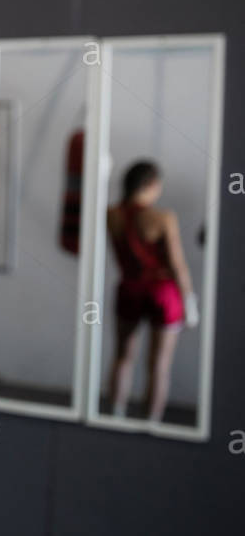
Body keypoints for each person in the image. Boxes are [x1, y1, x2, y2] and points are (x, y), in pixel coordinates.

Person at [104, 160, 199, 424]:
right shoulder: (163, 218)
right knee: (159, 365)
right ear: (152, 185)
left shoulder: (111, 215)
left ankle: (115, 416)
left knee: (123, 356)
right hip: (162, 291)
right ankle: (152, 424)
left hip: (130, 288)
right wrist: (190, 302)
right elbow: (177, 264)